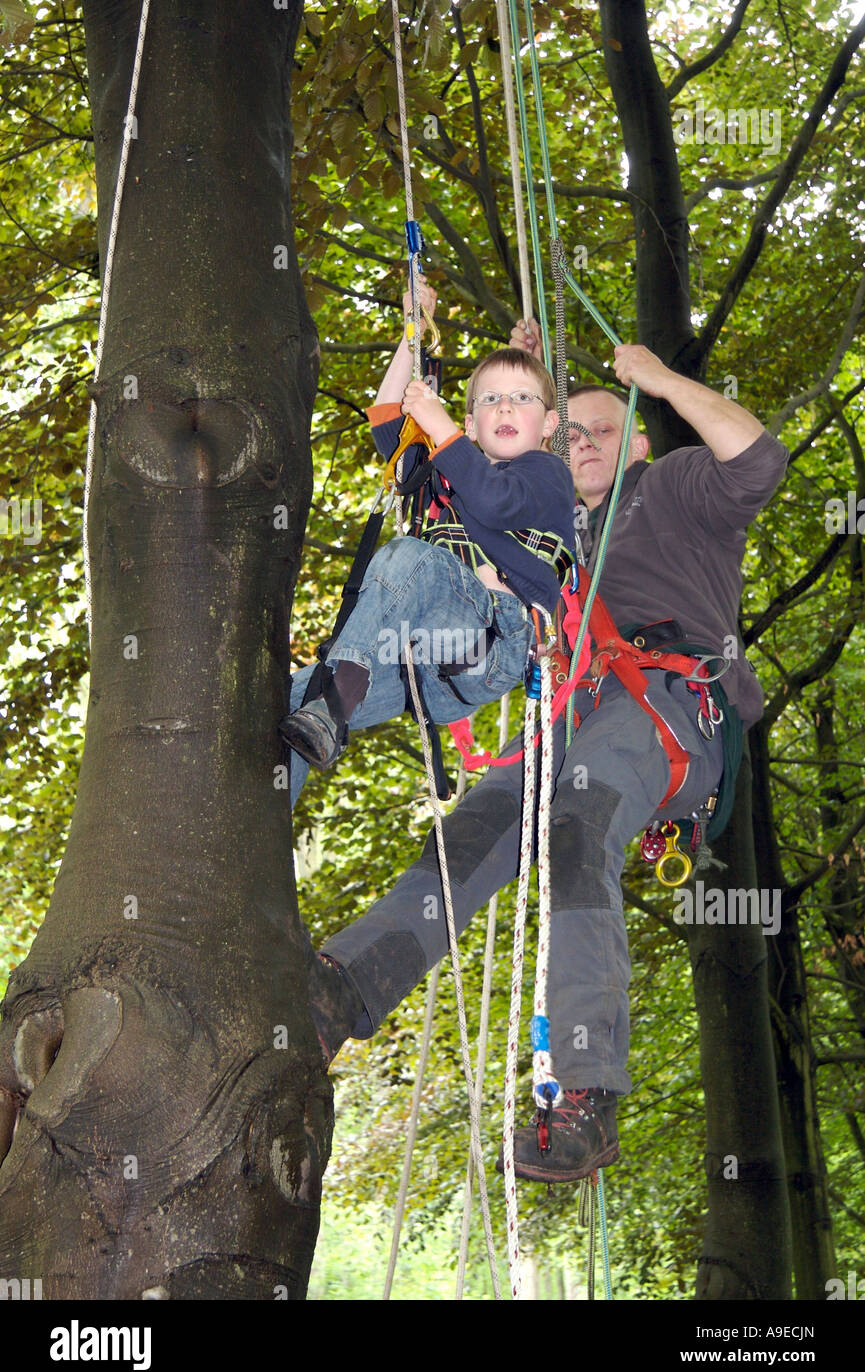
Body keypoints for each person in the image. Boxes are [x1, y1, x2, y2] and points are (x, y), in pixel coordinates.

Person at [301, 327, 788, 1184]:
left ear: (637, 438)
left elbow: (755, 461)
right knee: (473, 829)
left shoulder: (673, 488)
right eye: (571, 435)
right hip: (571, 709)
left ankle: (584, 1091)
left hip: (665, 701)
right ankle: (343, 987)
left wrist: (662, 379)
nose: (583, 445)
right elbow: (491, 457)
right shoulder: (551, 522)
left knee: (577, 823)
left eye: (603, 430)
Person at [280, 282, 576, 783]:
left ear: (548, 424)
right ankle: (321, 714)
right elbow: (388, 428)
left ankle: (336, 698)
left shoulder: (547, 474)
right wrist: (413, 333)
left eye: (522, 399)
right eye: (491, 400)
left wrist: (442, 429)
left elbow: (494, 501)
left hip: (494, 639)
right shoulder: (448, 474)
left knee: (407, 558)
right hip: (418, 665)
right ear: (472, 423)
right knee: (285, 703)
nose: (505, 408)